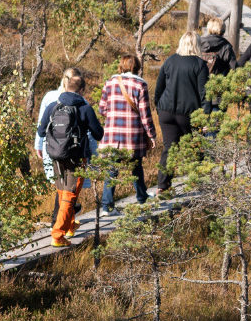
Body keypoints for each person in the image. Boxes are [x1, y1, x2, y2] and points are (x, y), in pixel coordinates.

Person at [36, 67, 104, 247]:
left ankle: (70, 224)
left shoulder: (53, 106)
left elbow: (41, 131)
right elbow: (98, 134)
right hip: (76, 158)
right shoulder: (85, 108)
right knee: (70, 195)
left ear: (65, 86)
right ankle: (58, 235)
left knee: (62, 192)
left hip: (55, 156)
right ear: (81, 90)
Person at [97, 53, 159, 211]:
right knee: (136, 167)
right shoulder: (140, 85)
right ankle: (142, 197)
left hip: (112, 133)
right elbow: (145, 114)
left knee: (111, 169)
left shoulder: (110, 82)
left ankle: (106, 207)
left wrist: (114, 115)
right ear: (137, 67)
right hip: (132, 135)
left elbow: (102, 109)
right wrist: (151, 135)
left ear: (121, 66)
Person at [152, 33, 210, 193]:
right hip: (188, 114)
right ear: (197, 45)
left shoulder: (170, 61)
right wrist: (205, 117)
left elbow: (159, 88)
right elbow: (204, 94)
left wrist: (158, 107)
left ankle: (163, 187)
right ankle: (199, 184)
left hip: (166, 112)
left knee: (169, 149)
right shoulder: (200, 65)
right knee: (196, 147)